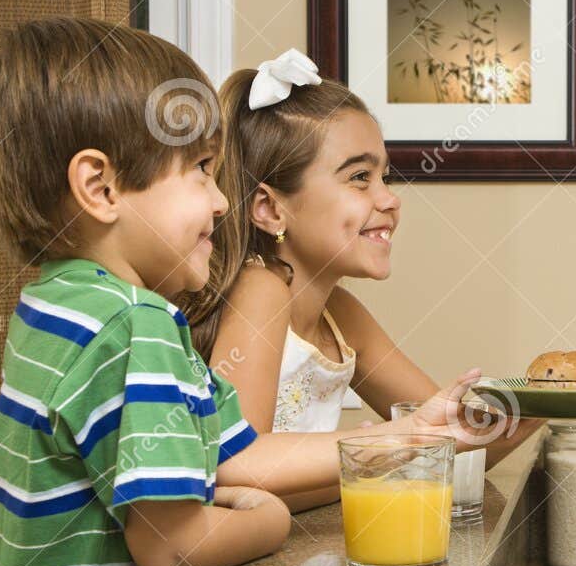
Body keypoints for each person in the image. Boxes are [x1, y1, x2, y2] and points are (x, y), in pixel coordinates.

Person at [0, 19, 473, 566]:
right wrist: (268, 518)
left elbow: (232, 450)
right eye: (197, 171)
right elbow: (172, 542)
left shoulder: (51, 306)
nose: (219, 202)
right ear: (100, 188)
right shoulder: (138, 327)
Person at [184, 49, 539, 473]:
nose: (389, 198)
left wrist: (560, 398)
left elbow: (461, 443)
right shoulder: (259, 292)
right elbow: (235, 467)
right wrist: (381, 451)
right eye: (359, 178)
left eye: (384, 176)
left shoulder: (341, 317)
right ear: (271, 209)